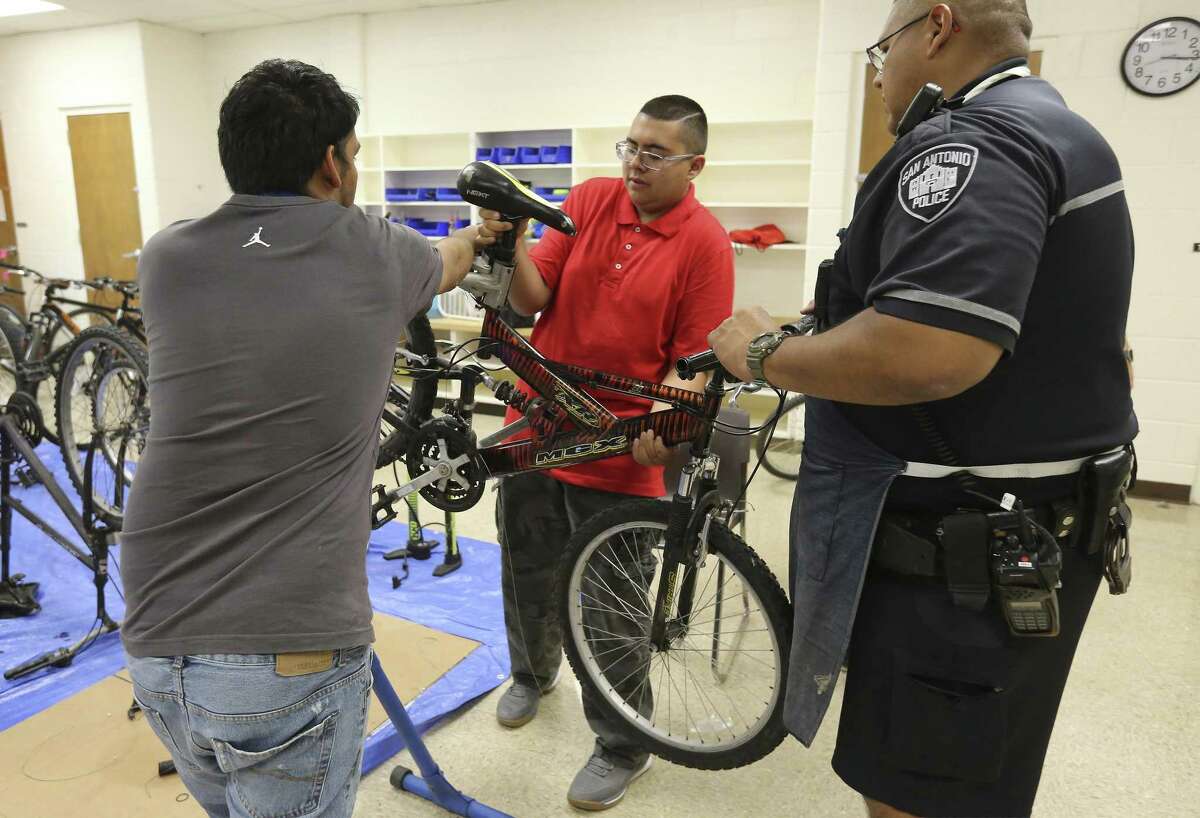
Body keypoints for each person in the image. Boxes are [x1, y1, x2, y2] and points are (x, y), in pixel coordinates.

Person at [708, 2, 1136, 817]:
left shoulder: (971, 142)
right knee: (975, 780)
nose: (877, 74)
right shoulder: (1059, 128)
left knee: (921, 792)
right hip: (1031, 527)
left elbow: (931, 351)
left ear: (936, 27)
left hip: (960, 557)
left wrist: (762, 354)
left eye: (882, 49)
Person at [119, 59, 505, 818]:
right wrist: (479, 232)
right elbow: (451, 262)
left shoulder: (165, 258)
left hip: (157, 638)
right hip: (288, 647)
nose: (353, 170)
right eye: (353, 156)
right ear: (331, 163)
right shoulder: (376, 250)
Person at [480, 95, 734, 810]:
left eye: (655, 153)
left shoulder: (706, 244)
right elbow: (531, 297)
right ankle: (531, 675)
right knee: (525, 567)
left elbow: (692, 361)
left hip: (620, 449)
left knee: (611, 605)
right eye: (631, 146)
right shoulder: (590, 199)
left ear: (694, 166)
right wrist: (515, 240)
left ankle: (623, 743)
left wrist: (665, 421)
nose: (636, 163)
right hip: (536, 429)